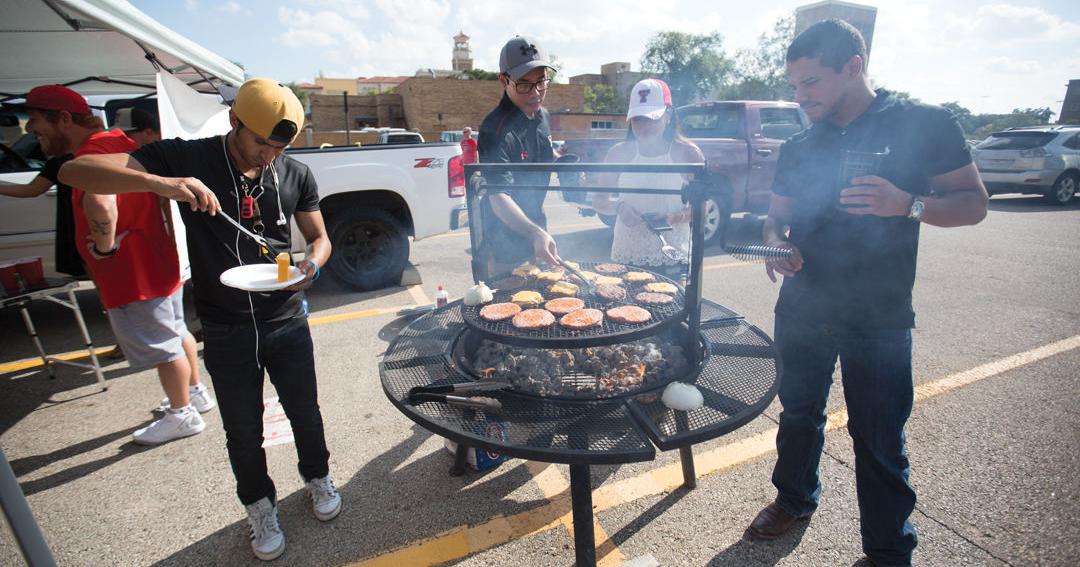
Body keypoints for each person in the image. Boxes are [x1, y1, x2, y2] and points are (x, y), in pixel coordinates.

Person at [60, 78, 339, 561]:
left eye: (279, 147)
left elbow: (319, 238)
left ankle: (317, 477)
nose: (268, 156)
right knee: (242, 427)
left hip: (287, 318)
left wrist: (313, 264)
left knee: (305, 410)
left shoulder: (294, 173)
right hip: (225, 324)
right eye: (260, 143)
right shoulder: (189, 159)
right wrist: (161, 184)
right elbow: (74, 170)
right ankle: (259, 504)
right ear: (235, 122)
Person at [745, 20, 988, 566]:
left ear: (853, 67)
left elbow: (974, 203)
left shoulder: (923, 124)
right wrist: (776, 246)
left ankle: (887, 548)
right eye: (794, 86)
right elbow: (774, 221)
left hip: (878, 316)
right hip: (803, 306)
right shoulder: (800, 143)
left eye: (811, 83)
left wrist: (909, 204)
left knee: (878, 437)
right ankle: (794, 498)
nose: (800, 97)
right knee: (798, 413)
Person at [9, 85, 214, 435]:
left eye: (36, 120)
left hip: (133, 269)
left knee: (163, 347)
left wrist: (103, 248)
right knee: (175, 332)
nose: (30, 130)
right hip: (160, 259)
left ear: (63, 119)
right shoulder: (120, 142)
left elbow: (101, 204)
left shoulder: (93, 154)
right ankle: (194, 393)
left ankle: (181, 414)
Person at [591, 78, 703, 283]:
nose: (644, 126)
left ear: (668, 115)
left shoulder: (688, 153)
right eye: (637, 119)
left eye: (652, 118)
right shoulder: (618, 154)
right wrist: (618, 208)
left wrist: (672, 217)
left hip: (672, 254)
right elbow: (598, 200)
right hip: (627, 252)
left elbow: (701, 208)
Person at [476, 35, 560, 277]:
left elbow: (538, 155)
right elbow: (498, 195)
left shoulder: (543, 116)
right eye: (524, 84)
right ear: (504, 80)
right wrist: (534, 233)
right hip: (504, 236)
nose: (535, 93)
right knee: (507, 301)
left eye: (542, 82)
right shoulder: (495, 129)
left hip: (537, 225)